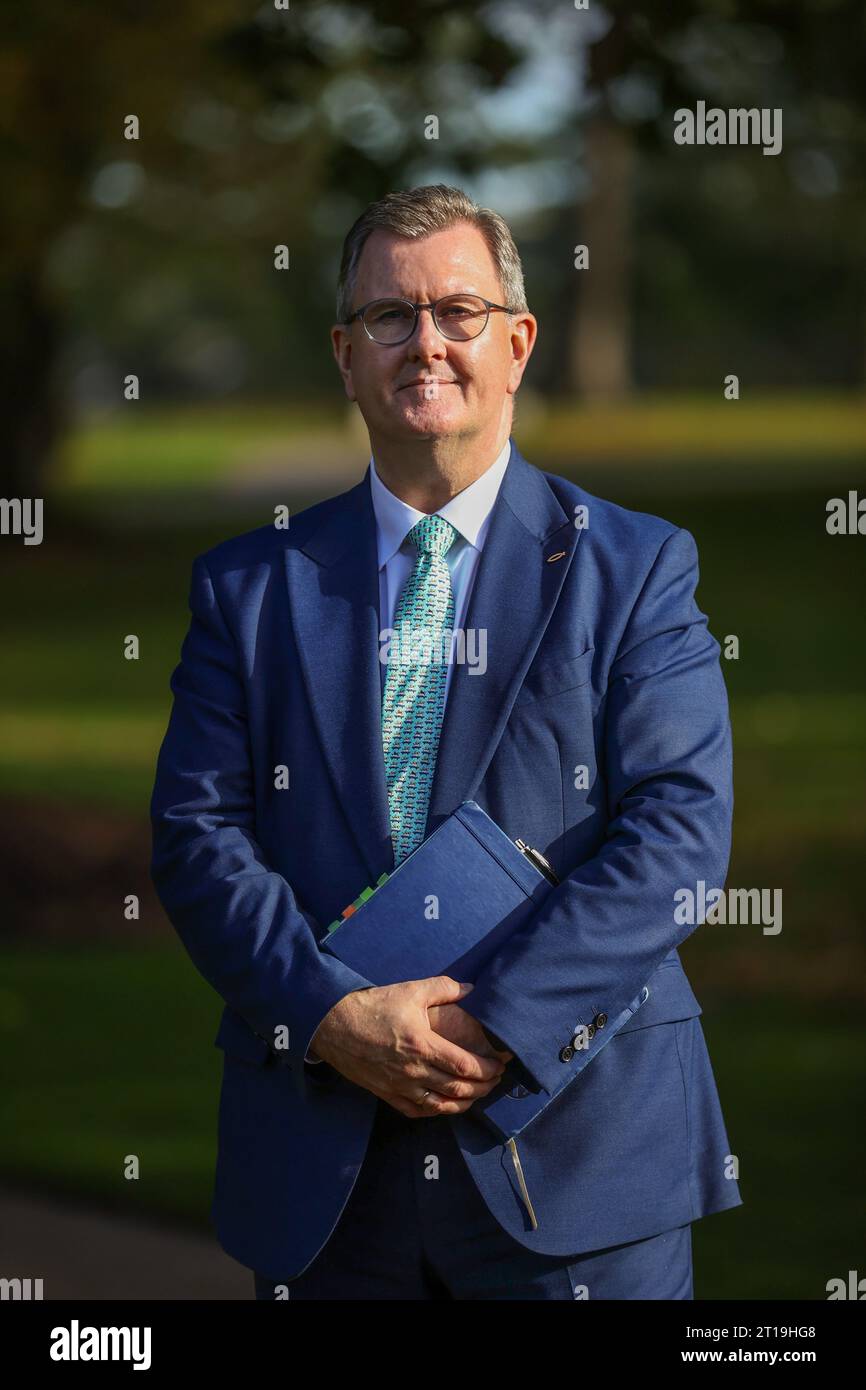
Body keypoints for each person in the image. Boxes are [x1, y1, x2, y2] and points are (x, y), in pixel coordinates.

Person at [150, 183, 743, 1300]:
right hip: (328, 1167)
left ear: (515, 343)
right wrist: (326, 1014)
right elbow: (197, 835)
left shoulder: (635, 567)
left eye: (456, 313)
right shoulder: (247, 587)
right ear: (343, 351)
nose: (424, 343)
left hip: (579, 1157)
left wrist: (493, 1021)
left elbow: (677, 838)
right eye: (388, 316)